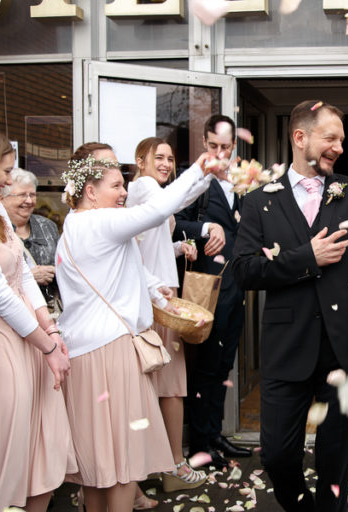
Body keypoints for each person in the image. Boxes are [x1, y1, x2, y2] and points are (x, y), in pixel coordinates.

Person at [232, 100, 348, 512]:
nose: (339, 147)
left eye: (341, 140)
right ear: (301, 137)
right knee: (277, 455)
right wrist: (305, 259)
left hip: (344, 348)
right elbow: (242, 271)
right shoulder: (259, 202)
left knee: (336, 459)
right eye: (331, 138)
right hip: (285, 348)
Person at [55, 143, 217, 512]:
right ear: (91, 192)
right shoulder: (100, 222)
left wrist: (151, 289)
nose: (124, 192)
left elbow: (117, 268)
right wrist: (200, 169)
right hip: (112, 354)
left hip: (81, 355)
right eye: (116, 185)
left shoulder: (73, 227)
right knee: (123, 463)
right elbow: (159, 208)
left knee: (95, 463)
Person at [0, 124, 74, 512]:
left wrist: (49, 327)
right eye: (5, 171)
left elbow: (23, 273)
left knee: (40, 440)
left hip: (30, 335)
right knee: (3, 443)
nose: (8, 180)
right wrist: (49, 346)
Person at [127, 137, 209, 491]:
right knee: (171, 387)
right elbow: (177, 199)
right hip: (156, 300)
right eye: (158, 157)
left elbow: (151, 243)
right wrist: (204, 171)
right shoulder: (143, 187)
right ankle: (173, 465)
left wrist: (179, 246)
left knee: (159, 386)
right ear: (140, 160)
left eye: (171, 159)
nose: (165, 163)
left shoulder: (152, 195)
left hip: (160, 294)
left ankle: (150, 467)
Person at [175, 114, 251, 465]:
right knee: (205, 368)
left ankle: (217, 436)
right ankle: (201, 446)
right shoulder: (192, 183)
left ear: (234, 146)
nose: (220, 153)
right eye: (213, 146)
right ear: (204, 145)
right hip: (207, 292)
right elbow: (172, 224)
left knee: (223, 368)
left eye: (226, 146)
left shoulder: (241, 184)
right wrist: (206, 227)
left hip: (237, 291)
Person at [0, 167, 62, 317]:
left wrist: (54, 272)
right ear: (3, 197)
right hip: (13, 314)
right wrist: (27, 277)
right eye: (22, 195)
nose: (29, 201)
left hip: (50, 313)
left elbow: (63, 263)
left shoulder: (47, 226)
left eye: (32, 195)